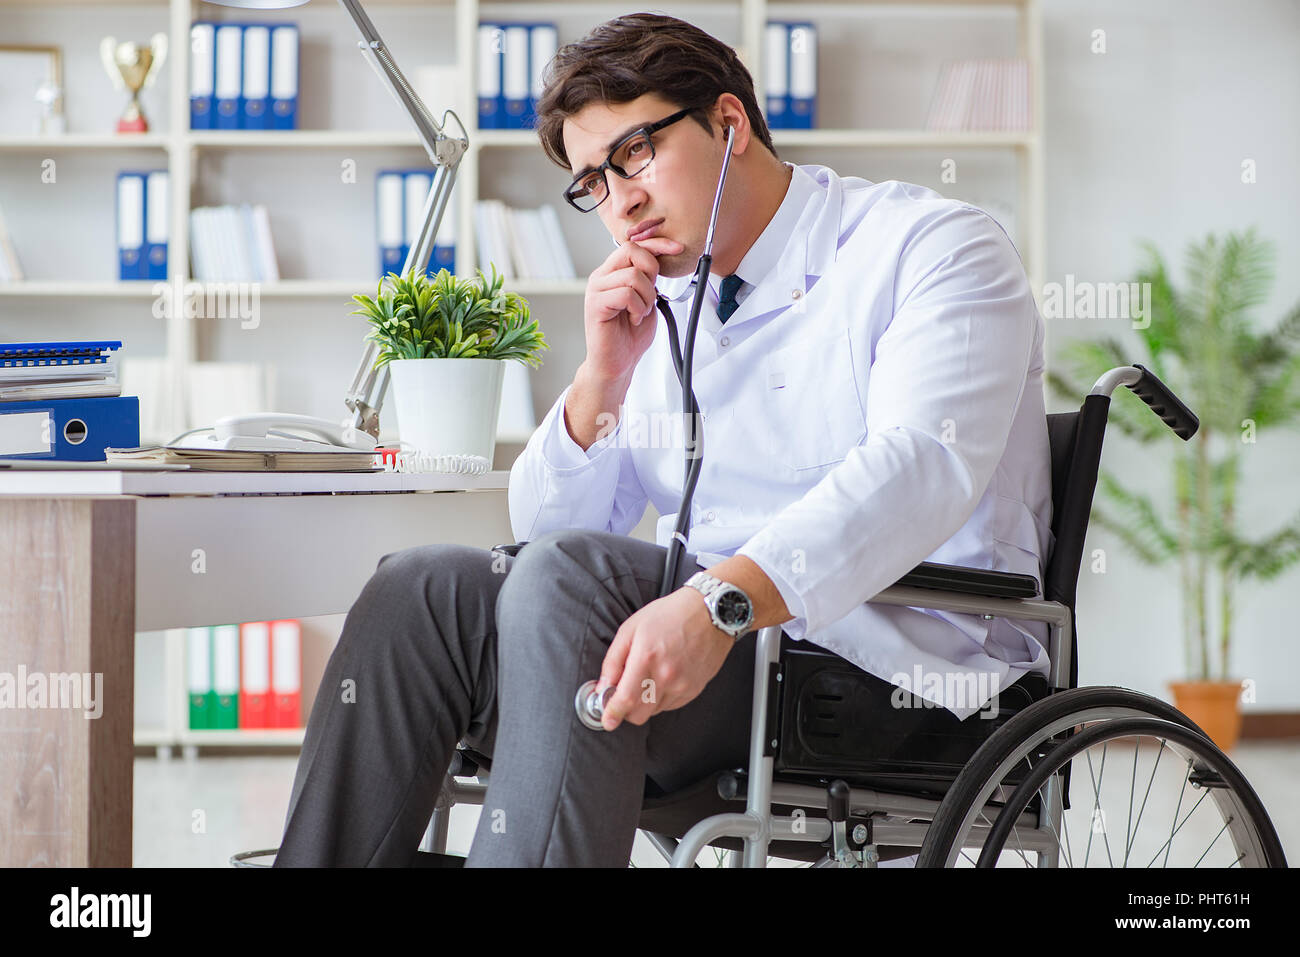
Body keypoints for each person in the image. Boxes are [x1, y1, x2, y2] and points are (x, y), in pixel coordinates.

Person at [273, 12, 1053, 868]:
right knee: (421, 589)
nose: (621, 201)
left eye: (635, 152)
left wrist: (720, 600)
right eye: (593, 182)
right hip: (716, 663)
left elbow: (920, 467)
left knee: (579, 582)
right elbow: (539, 535)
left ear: (729, 120)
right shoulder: (667, 301)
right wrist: (600, 377)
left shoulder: (931, 247)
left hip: (897, 670)